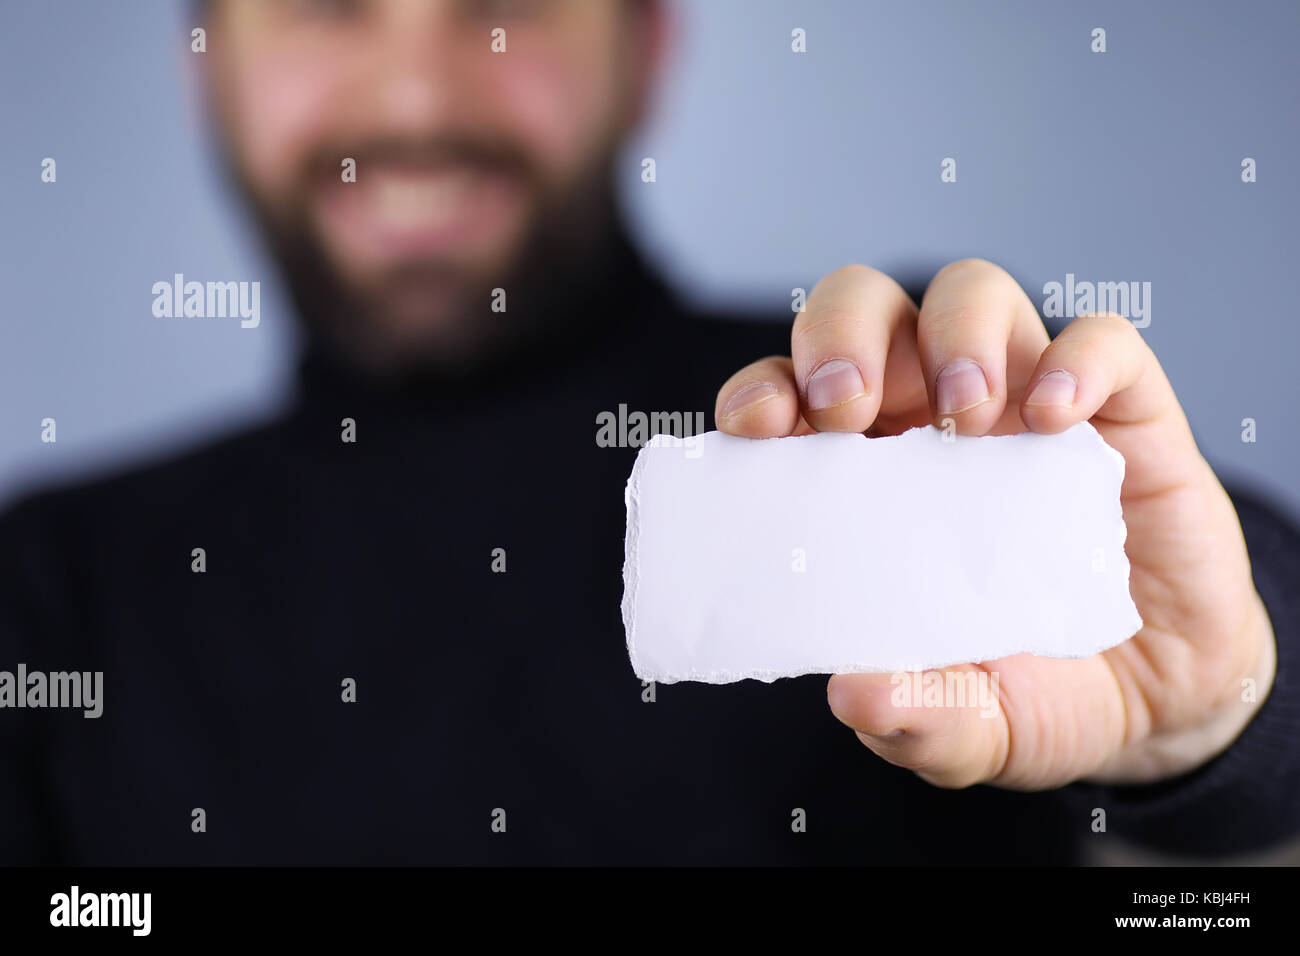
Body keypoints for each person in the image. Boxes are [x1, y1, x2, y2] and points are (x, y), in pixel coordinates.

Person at [1, 0, 1296, 865]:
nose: (410, 94)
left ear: (647, 49)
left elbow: (1236, 681)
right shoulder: (50, 593)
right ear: (206, 63)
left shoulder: (912, 428)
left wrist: (1224, 718)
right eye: (325, 3)